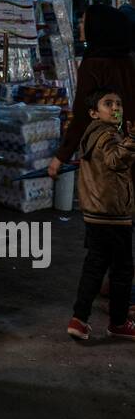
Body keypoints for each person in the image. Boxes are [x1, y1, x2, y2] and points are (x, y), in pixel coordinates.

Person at [67, 87, 135, 343]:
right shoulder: (108, 135)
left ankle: (79, 319)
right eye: (109, 104)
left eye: (118, 103)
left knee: (95, 267)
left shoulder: (92, 134)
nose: (116, 108)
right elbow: (116, 160)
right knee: (122, 270)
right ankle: (118, 322)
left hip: (95, 215)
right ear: (94, 112)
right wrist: (132, 140)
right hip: (113, 215)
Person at [49, 4, 135, 180]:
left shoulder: (93, 65)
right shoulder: (128, 60)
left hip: (108, 150)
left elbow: (82, 114)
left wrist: (61, 156)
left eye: (84, 21)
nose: (80, 25)